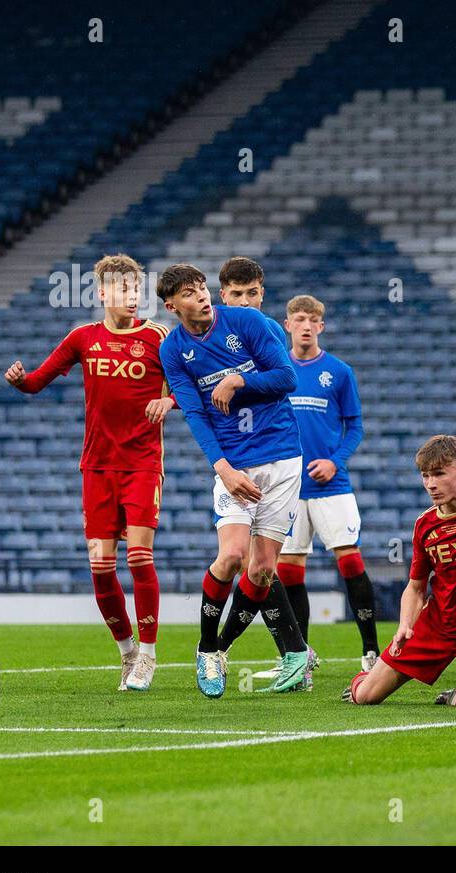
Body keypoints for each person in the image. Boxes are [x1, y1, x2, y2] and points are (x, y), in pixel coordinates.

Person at [4, 254, 173, 691]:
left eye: (136, 290)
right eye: (122, 290)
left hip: (141, 463)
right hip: (96, 465)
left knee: (139, 557)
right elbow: (39, 380)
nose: (131, 297)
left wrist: (169, 402)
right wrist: (20, 380)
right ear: (102, 293)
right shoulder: (83, 337)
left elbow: (188, 387)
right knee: (100, 567)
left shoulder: (159, 337)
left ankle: (150, 657)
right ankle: (127, 653)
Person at [156, 263, 309, 696]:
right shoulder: (173, 351)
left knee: (262, 571)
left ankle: (233, 649)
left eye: (202, 288)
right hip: (234, 464)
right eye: (189, 293)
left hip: (282, 457)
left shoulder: (247, 322)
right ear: (172, 306)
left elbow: (287, 378)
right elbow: (196, 413)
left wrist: (237, 379)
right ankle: (207, 650)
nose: (201, 296)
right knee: (232, 556)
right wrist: (221, 467)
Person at [345, 436, 456, 708]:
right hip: (437, 625)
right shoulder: (425, 524)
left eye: (439, 474)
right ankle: (364, 680)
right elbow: (416, 586)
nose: (431, 484)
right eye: (425, 476)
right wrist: (405, 624)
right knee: (365, 697)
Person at [276, 294, 379, 674]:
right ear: (287, 324)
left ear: (321, 326)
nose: (305, 325)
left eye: (313, 320)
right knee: (288, 567)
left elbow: (355, 427)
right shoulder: (275, 368)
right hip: (286, 486)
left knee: (349, 558)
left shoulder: (338, 371)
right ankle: (299, 656)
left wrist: (334, 462)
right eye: (299, 318)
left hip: (331, 486)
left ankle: (370, 651)